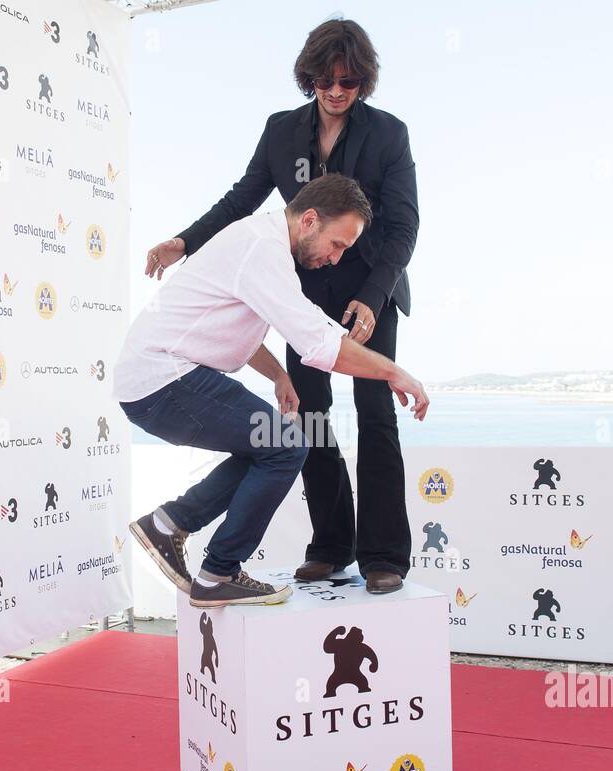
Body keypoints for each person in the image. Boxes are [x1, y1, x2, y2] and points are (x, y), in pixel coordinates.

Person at [143, 17, 418, 594]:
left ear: (363, 81)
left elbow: (404, 228)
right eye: (325, 81)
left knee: (375, 418)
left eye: (348, 81)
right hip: (305, 290)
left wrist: (373, 297)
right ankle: (330, 543)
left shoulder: (389, 134)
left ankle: (384, 554)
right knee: (309, 419)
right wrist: (184, 241)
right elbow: (243, 198)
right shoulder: (281, 131)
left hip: (372, 289)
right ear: (309, 78)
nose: (336, 92)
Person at [116, 175, 428, 608]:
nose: (336, 259)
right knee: (286, 445)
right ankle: (218, 572)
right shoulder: (264, 250)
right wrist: (394, 372)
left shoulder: (259, 240)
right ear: (310, 221)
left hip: (157, 378)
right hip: (164, 379)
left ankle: (169, 525)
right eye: (337, 244)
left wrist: (280, 375)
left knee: (268, 444)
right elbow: (321, 344)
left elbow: (228, 324)